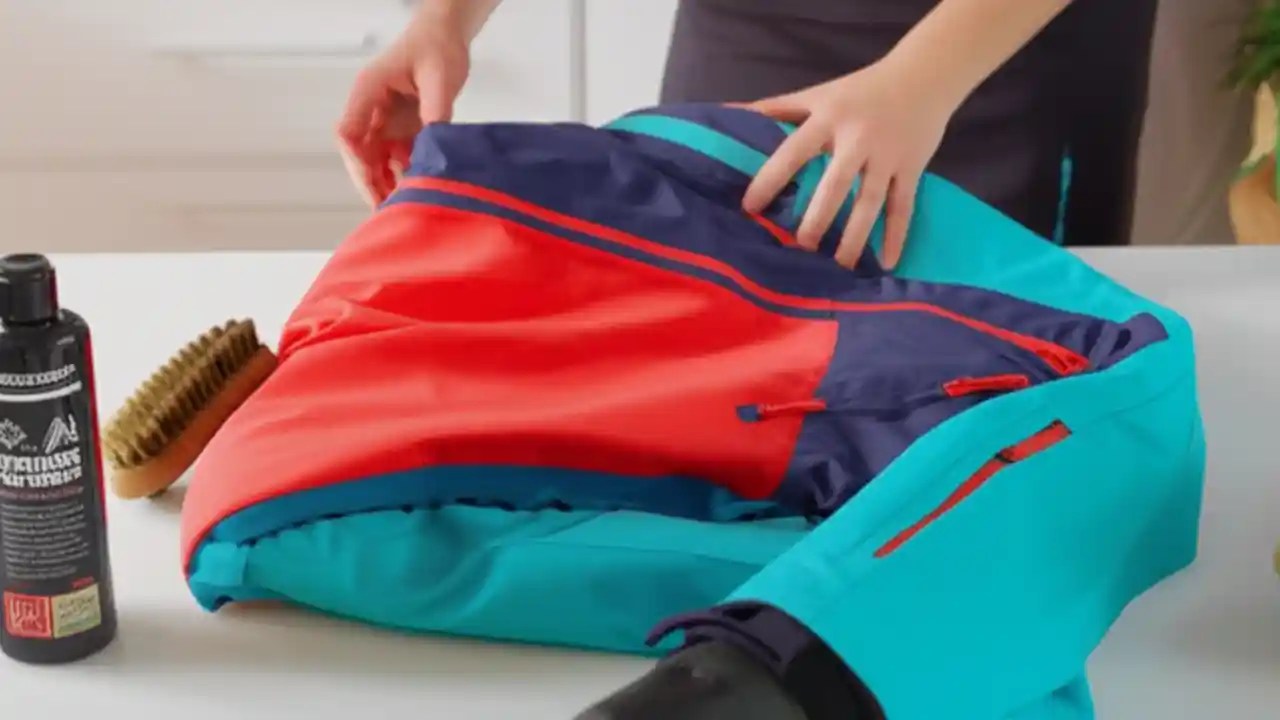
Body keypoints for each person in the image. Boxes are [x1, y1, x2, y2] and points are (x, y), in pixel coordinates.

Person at [337, 1, 1158, 718]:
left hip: (981, 67)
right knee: (722, 391)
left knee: (1010, 427)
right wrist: (446, 17)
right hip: (746, 45)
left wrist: (918, 81)